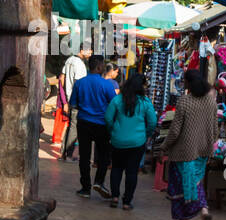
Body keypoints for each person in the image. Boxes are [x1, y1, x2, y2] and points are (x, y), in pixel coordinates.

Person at [161, 68, 218, 220]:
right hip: (203, 152)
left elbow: (175, 131)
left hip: (183, 152)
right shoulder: (211, 102)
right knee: (195, 182)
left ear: (189, 83)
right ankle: (204, 210)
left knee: (182, 185)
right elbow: (214, 130)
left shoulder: (184, 101)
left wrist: (164, 147)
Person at [104, 72, 157, 210]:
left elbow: (108, 118)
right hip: (137, 142)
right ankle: (127, 202)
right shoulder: (145, 102)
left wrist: (112, 132)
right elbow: (152, 122)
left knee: (116, 169)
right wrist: (146, 134)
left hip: (117, 141)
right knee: (132, 172)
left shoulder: (117, 99)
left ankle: (115, 197)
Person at [69, 54, 118, 198]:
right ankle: (99, 181)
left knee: (84, 156)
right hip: (102, 124)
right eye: (103, 65)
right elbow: (114, 103)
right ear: (99, 66)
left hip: (84, 122)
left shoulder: (80, 83)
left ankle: (85, 188)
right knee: (103, 155)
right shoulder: (107, 84)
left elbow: (73, 104)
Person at [57, 46, 90, 161]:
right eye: (88, 50)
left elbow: (62, 78)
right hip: (76, 100)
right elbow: (78, 84)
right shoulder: (80, 65)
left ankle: (63, 154)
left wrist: (65, 99)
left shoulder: (69, 60)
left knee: (70, 126)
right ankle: (69, 155)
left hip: (69, 98)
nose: (90, 52)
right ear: (81, 50)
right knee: (74, 128)